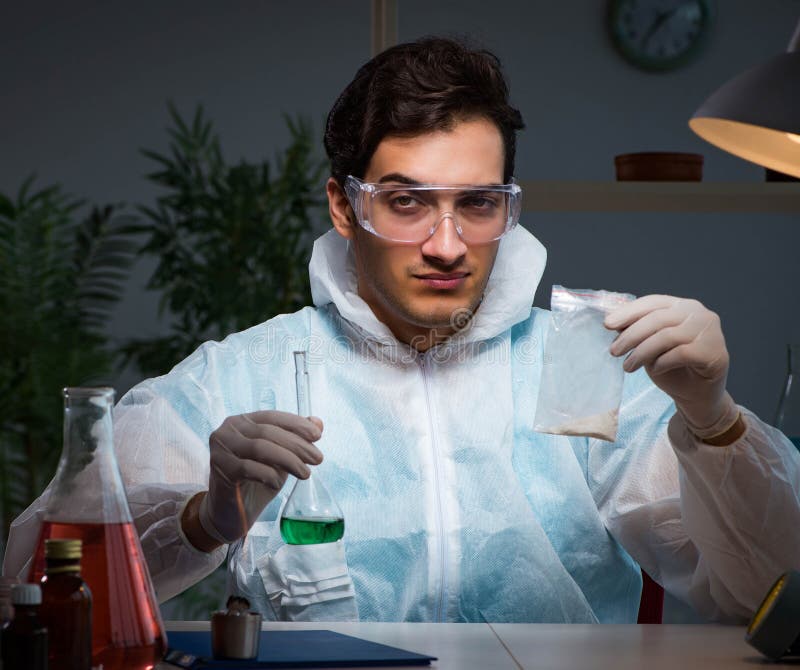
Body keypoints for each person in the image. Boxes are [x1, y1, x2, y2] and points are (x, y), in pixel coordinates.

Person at [5, 37, 800, 623]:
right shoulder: (243, 376)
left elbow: (768, 596)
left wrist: (715, 421)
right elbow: (28, 590)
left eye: (478, 203)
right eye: (407, 201)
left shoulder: (583, 365)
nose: (447, 244)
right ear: (344, 206)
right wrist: (203, 521)